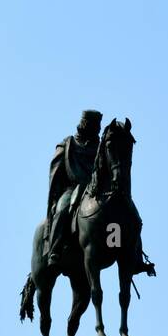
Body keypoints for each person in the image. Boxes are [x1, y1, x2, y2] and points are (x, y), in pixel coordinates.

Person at [44, 109, 103, 269]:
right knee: (62, 210)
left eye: (98, 126)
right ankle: (54, 250)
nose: (98, 129)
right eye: (95, 125)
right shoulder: (68, 144)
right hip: (72, 189)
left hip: (96, 190)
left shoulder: (101, 148)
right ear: (85, 124)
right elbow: (56, 173)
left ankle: (135, 255)